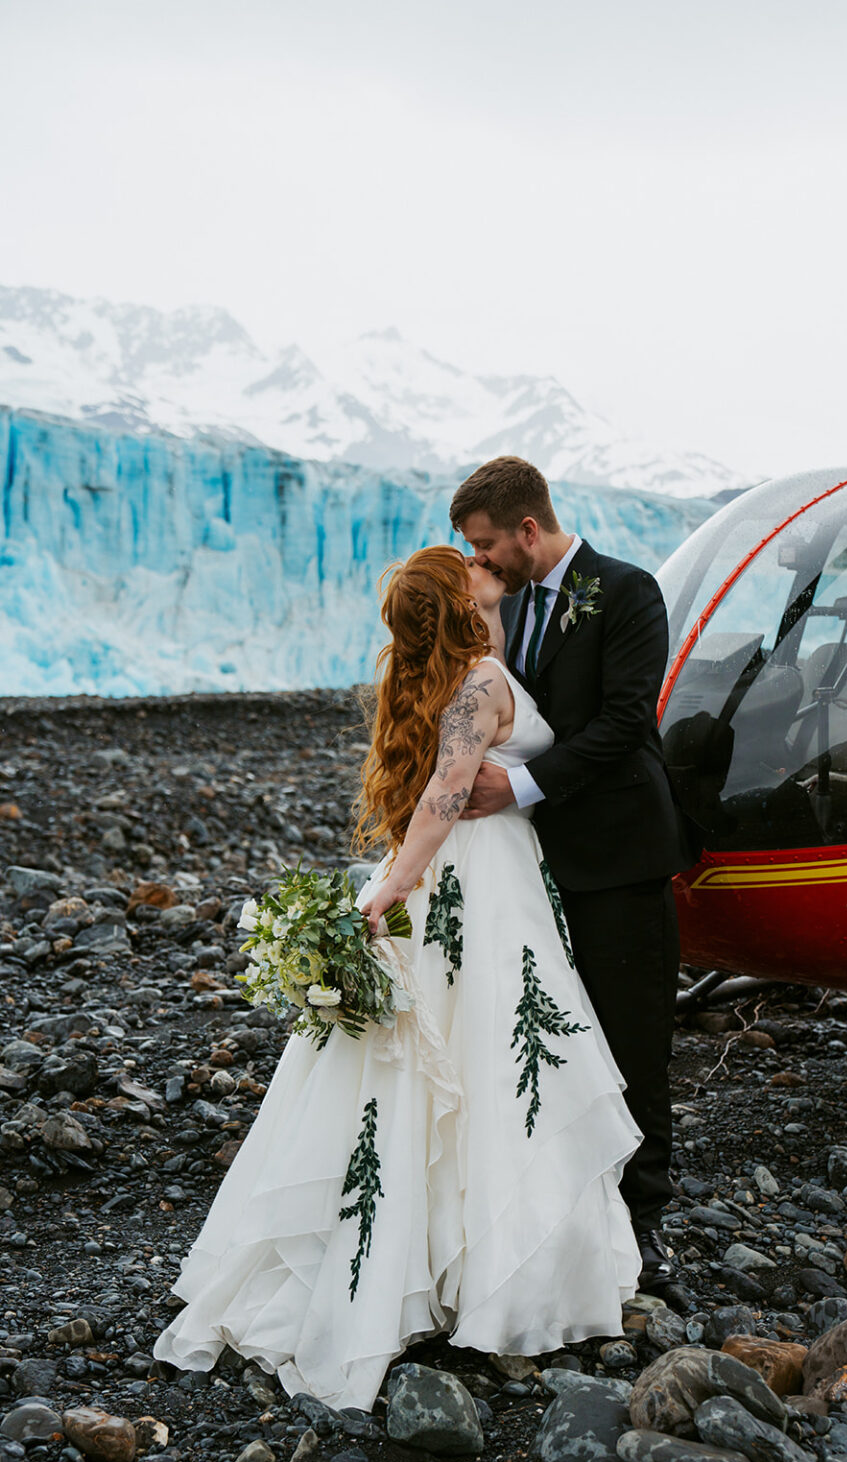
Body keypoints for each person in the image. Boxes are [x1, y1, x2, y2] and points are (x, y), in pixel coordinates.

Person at [153, 545, 641, 1411]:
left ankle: (439, 1255)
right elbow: (447, 793)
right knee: (487, 1049)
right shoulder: (483, 679)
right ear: (461, 602)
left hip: (487, 878)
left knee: (458, 1053)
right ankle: (492, 1273)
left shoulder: (454, 671)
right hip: (477, 885)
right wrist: (397, 885)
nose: (485, 562)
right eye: (470, 564)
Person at [450, 456, 691, 1292]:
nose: (481, 561)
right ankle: (566, 1205)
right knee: (551, 1036)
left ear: (528, 528)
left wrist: (513, 786)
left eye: (486, 544)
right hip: (528, 867)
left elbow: (626, 721)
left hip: (619, 853)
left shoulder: (626, 592)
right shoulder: (500, 605)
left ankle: (643, 1218)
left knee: (632, 1035)